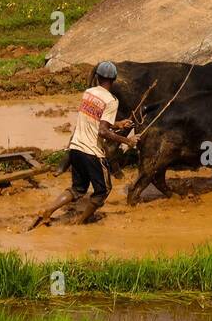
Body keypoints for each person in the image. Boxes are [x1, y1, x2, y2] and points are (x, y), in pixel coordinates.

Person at [29, 61, 136, 230]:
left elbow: (96, 121)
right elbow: (102, 132)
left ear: (97, 77)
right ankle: (80, 223)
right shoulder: (111, 100)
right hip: (92, 152)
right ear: (114, 79)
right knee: (104, 190)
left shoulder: (88, 93)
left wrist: (118, 124)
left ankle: (47, 210)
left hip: (76, 148)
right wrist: (127, 141)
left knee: (78, 189)